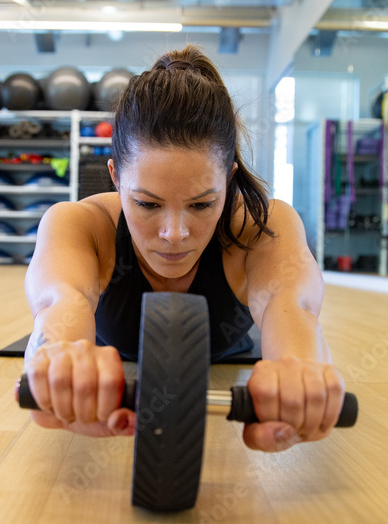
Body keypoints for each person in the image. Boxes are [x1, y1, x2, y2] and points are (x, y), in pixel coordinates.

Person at [20, 45, 346, 452]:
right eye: (147, 204)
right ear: (116, 178)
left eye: (202, 204)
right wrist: (58, 368)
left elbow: (294, 308)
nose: (174, 234)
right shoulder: (81, 226)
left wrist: (301, 375)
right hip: (110, 365)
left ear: (229, 180)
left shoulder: (261, 226)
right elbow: (57, 306)